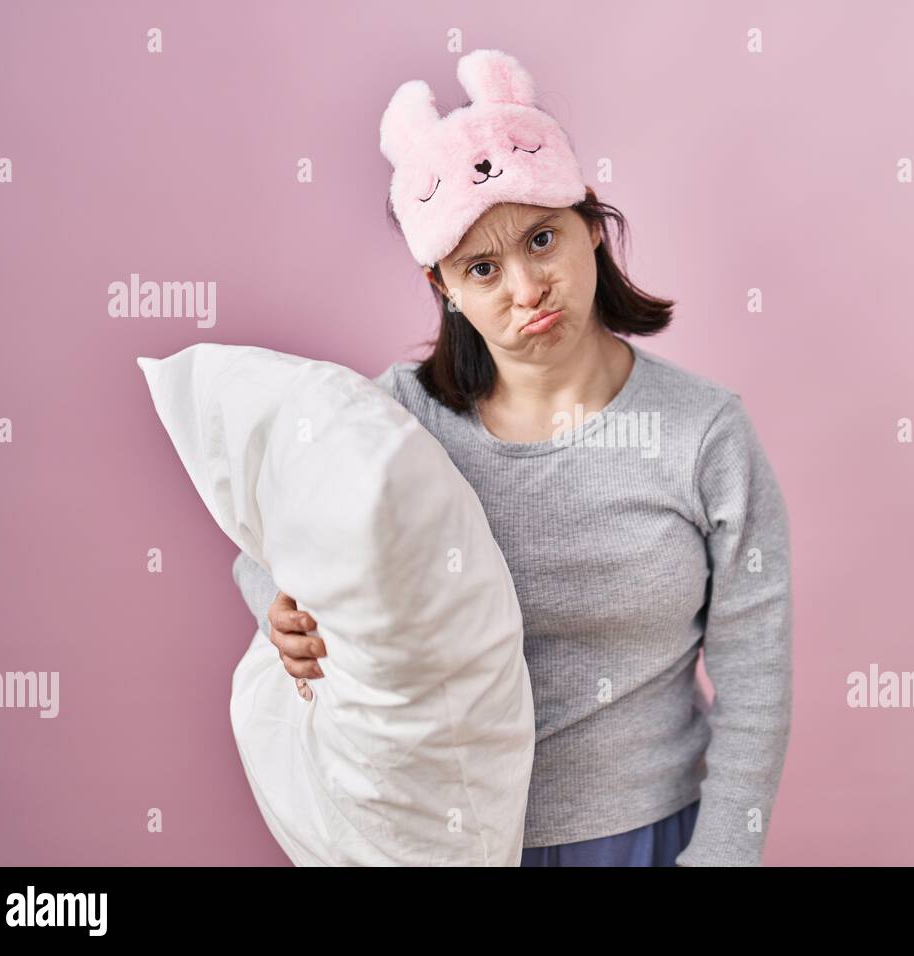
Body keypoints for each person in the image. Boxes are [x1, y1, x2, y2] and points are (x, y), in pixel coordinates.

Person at [232, 49, 792, 867]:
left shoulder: (704, 433)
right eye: (483, 268)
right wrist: (277, 605)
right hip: (445, 838)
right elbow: (267, 542)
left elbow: (757, 685)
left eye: (542, 239)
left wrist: (721, 859)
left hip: (644, 837)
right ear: (443, 285)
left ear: (590, 229)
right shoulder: (393, 420)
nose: (528, 288)